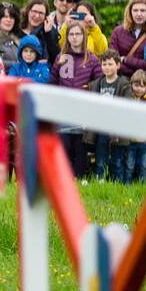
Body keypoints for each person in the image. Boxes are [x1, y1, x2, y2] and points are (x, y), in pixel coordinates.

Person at [50, 20, 102, 178]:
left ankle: (79, 178)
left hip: (82, 109)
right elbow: (52, 83)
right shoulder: (61, 57)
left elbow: (98, 84)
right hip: (63, 109)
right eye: (71, 34)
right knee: (65, 144)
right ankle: (65, 177)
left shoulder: (91, 59)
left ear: (84, 36)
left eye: (78, 34)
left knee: (80, 146)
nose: (74, 37)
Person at [86, 50, 134, 181]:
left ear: (118, 65)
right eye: (104, 64)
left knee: (117, 160)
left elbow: (128, 105)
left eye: (110, 64)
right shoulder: (97, 84)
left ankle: (116, 183)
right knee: (100, 158)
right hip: (101, 129)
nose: (107, 67)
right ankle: (100, 182)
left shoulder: (124, 84)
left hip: (117, 130)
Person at [109, 0, 146, 81]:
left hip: (144, 85)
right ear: (130, 12)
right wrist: (135, 68)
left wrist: (125, 60)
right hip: (121, 83)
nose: (139, 14)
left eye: (142, 10)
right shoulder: (118, 32)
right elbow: (113, 61)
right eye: (135, 10)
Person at [129, 70, 146, 183]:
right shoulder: (128, 98)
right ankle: (127, 183)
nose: (139, 89)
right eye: (136, 85)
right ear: (131, 85)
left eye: (142, 86)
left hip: (144, 140)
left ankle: (142, 183)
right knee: (129, 164)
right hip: (131, 140)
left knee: (143, 164)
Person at [20, 0, 61, 64]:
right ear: (28, 11)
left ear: (46, 16)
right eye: (34, 11)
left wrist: (48, 34)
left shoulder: (51, 32)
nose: (37, 16)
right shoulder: (17, 29)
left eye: (41, 13)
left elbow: (56, 57)